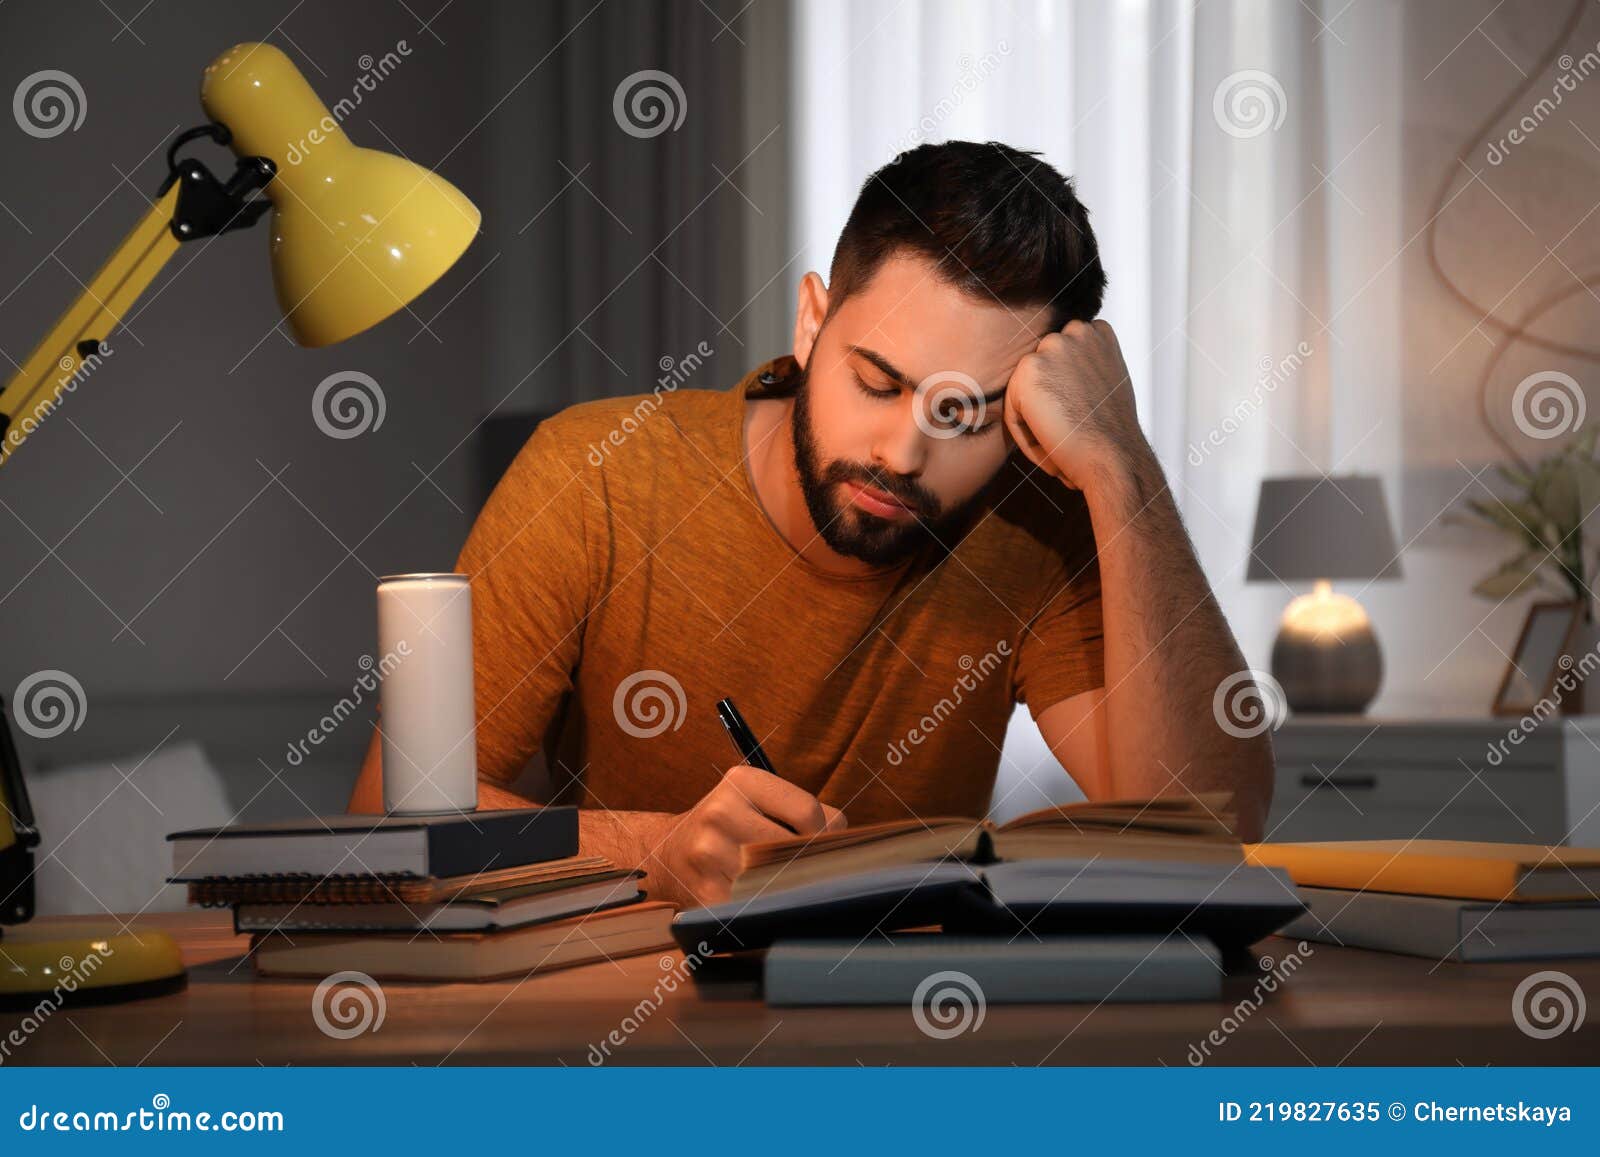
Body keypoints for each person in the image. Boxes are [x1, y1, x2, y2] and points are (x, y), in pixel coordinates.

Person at [349, 140, 1274, 907]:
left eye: (965, 417)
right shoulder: (595, 474)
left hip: (904, 1041)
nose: (903, 455)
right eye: (876, 382)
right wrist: (656, 850)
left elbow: (1209, 829)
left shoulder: (1032, 524)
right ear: (810, 322)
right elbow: (391, 828)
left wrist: (1123, 470)